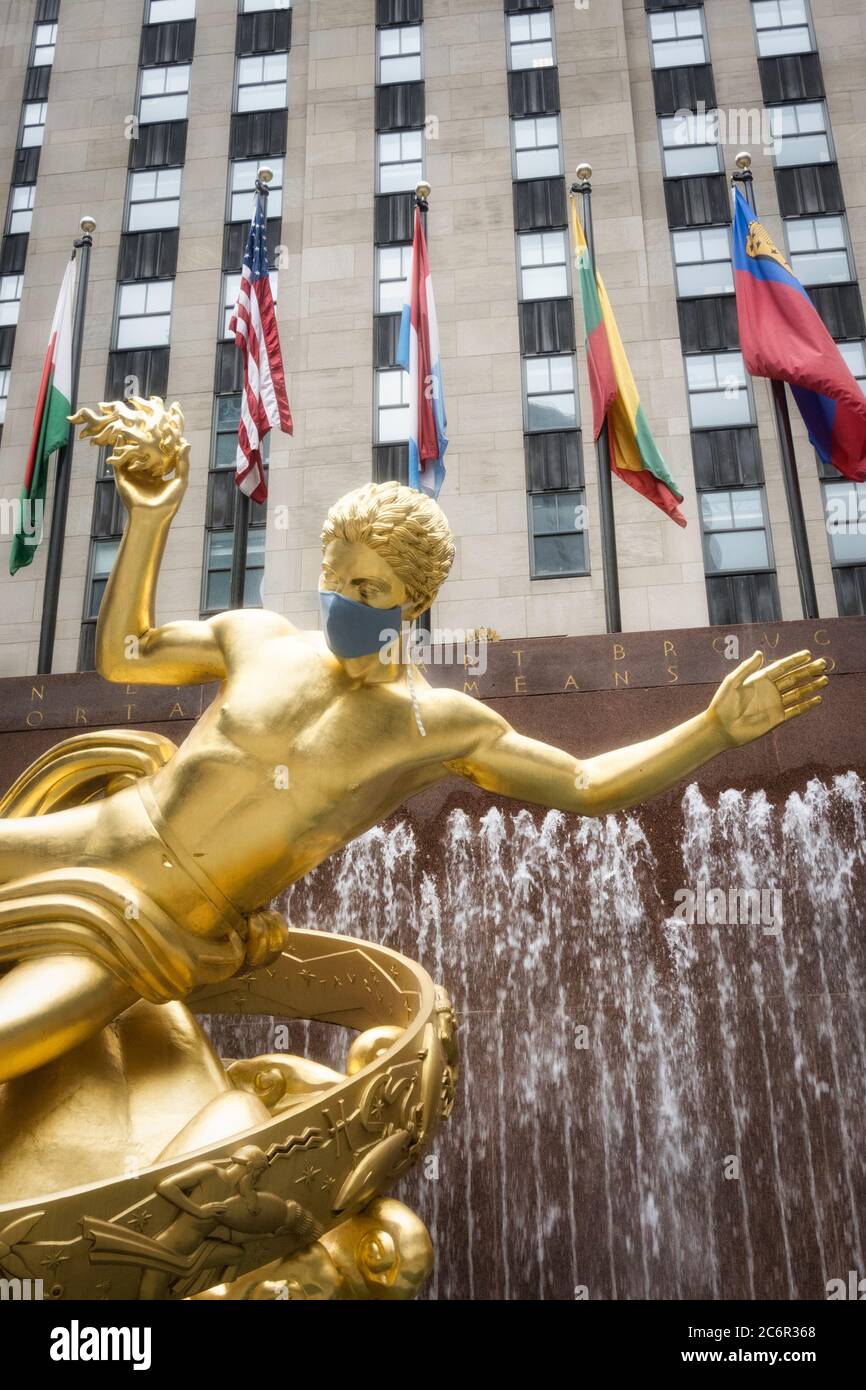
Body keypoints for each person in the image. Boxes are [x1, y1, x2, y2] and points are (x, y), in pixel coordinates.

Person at [0, 398, 828, 1083]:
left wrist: (714, 729)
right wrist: (150, 518)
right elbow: (126, 654)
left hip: (161, 925)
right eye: (337, 578)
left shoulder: (434, 725)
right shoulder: (256, 635)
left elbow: (582, 782)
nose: (344, 597)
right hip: (92, 834)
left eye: (370, 588)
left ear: (413, 599)